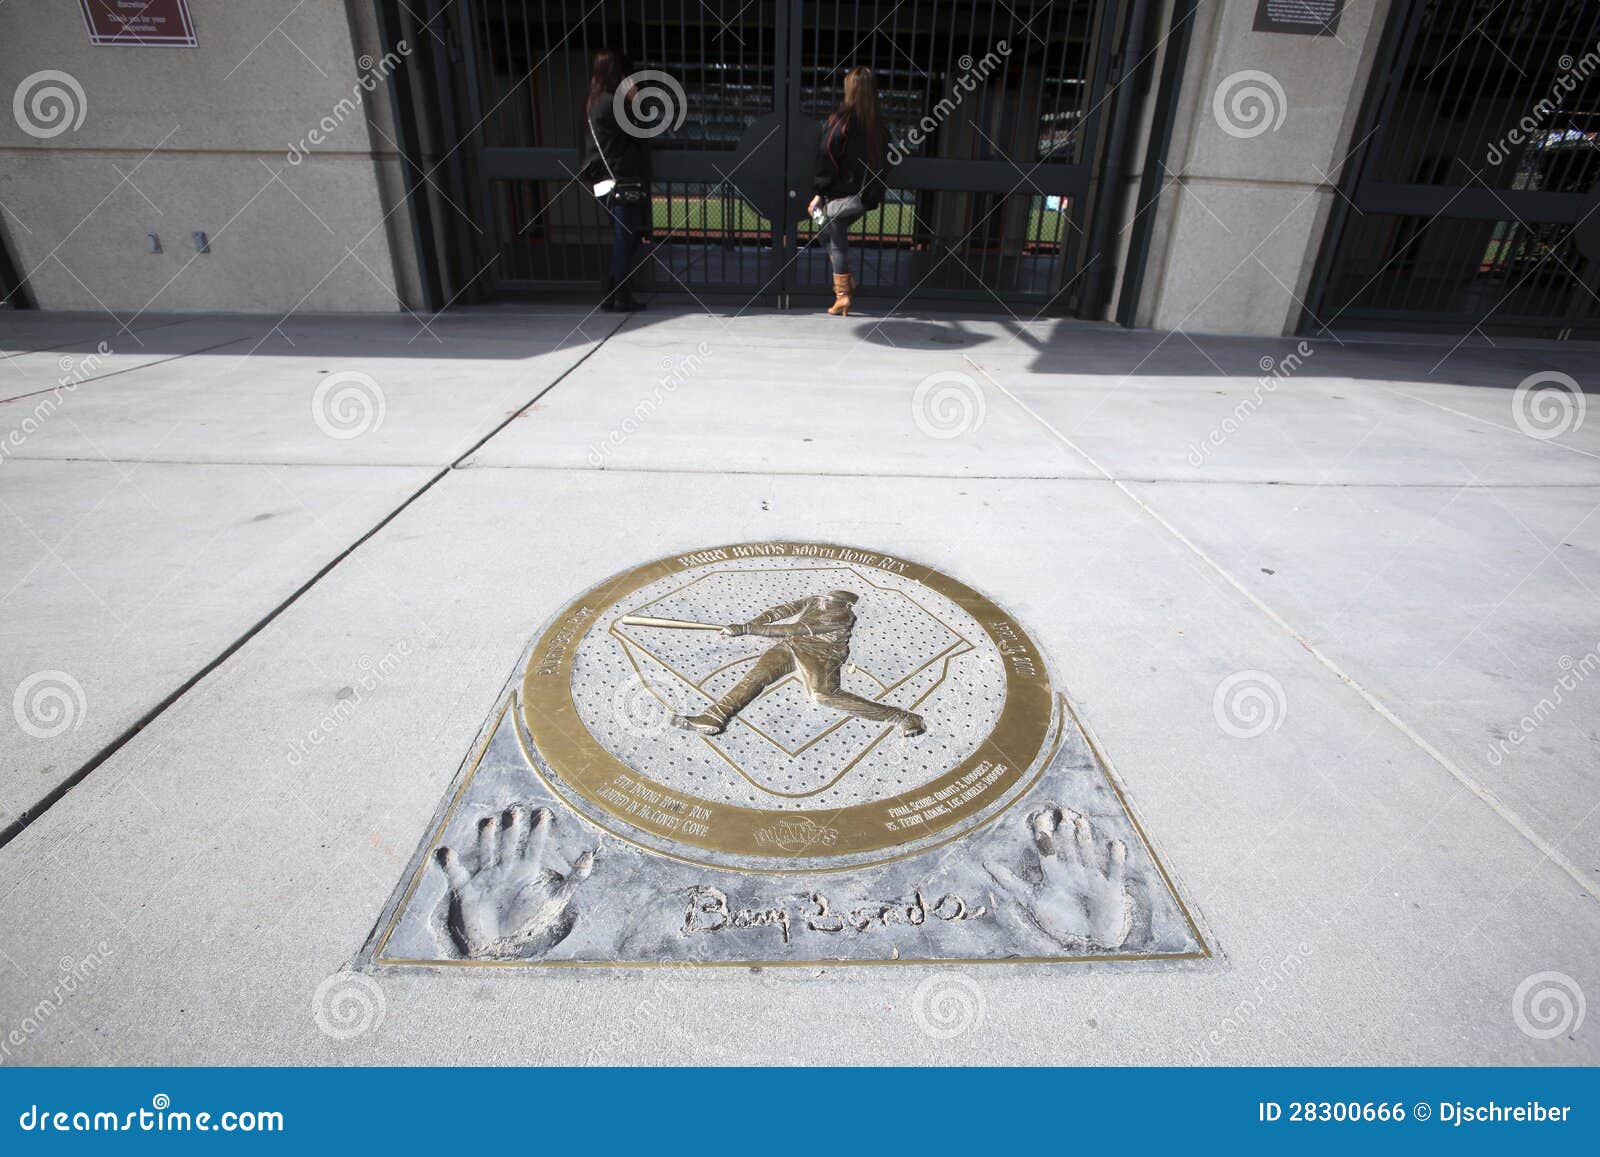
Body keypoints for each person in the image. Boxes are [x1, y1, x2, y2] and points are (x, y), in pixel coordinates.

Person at [671, 590, 926, 737]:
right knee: (757, 677)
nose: (821, 602)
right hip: (792, 645)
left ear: (843, 604)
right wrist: (753, 622)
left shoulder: (841, 614)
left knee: (822, 696)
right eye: (823, 599)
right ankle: (715, 717)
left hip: (823, 653)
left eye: (828, 600)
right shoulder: (816, 601)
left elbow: (794, 628)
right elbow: (780, 612)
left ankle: (903, 717)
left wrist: (746, 629)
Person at [808, 67, 888, 317]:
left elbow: (827, 155)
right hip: (864, 197)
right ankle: (846, 280)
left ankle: (843, 295)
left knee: (834, 240)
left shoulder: (842, 121)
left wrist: (819, 193)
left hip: (842, 196)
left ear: (850, 89)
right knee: (825, 231)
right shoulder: (879, 125)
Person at [582, 48, 651, 312]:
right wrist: (636, 99)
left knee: (626, 238)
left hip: (605, 182)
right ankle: (620, 294)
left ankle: (612, 292)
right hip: (620, 181)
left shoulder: (595, 102)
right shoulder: (613, 103)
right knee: (626, 239)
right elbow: (642, 132)